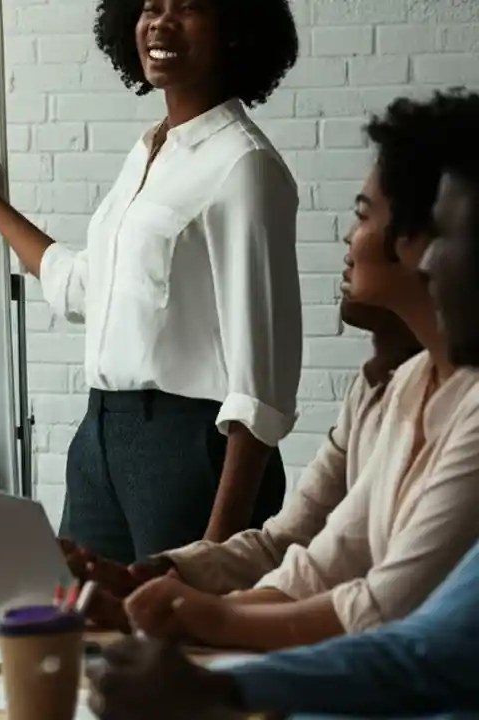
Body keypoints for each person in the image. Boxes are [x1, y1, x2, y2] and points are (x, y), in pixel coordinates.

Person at [86, 150, 479, 720]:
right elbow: (315, 560)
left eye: (364, 215)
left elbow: (403, 633)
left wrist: (214, 637)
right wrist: (165, 593)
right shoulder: (401, 383)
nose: (435, 263)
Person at [0, 0, 303, 563]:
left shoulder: (244, 164)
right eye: (149, 7)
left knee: (175, 643)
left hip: (187, 451)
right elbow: (83, 285)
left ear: (234, 30)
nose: (160, 23)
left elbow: (261, 390)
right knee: (83, 625)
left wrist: (216, 553)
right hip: (99, 439)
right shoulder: (149, 152)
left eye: (187, 8)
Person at [60, 297, 419, 630]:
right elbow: (282, 545)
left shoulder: (463, 408)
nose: (349, 237)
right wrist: (154, 574)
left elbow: (347, 585)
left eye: (368, 222)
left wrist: (192, 616)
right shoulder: (373, 390)